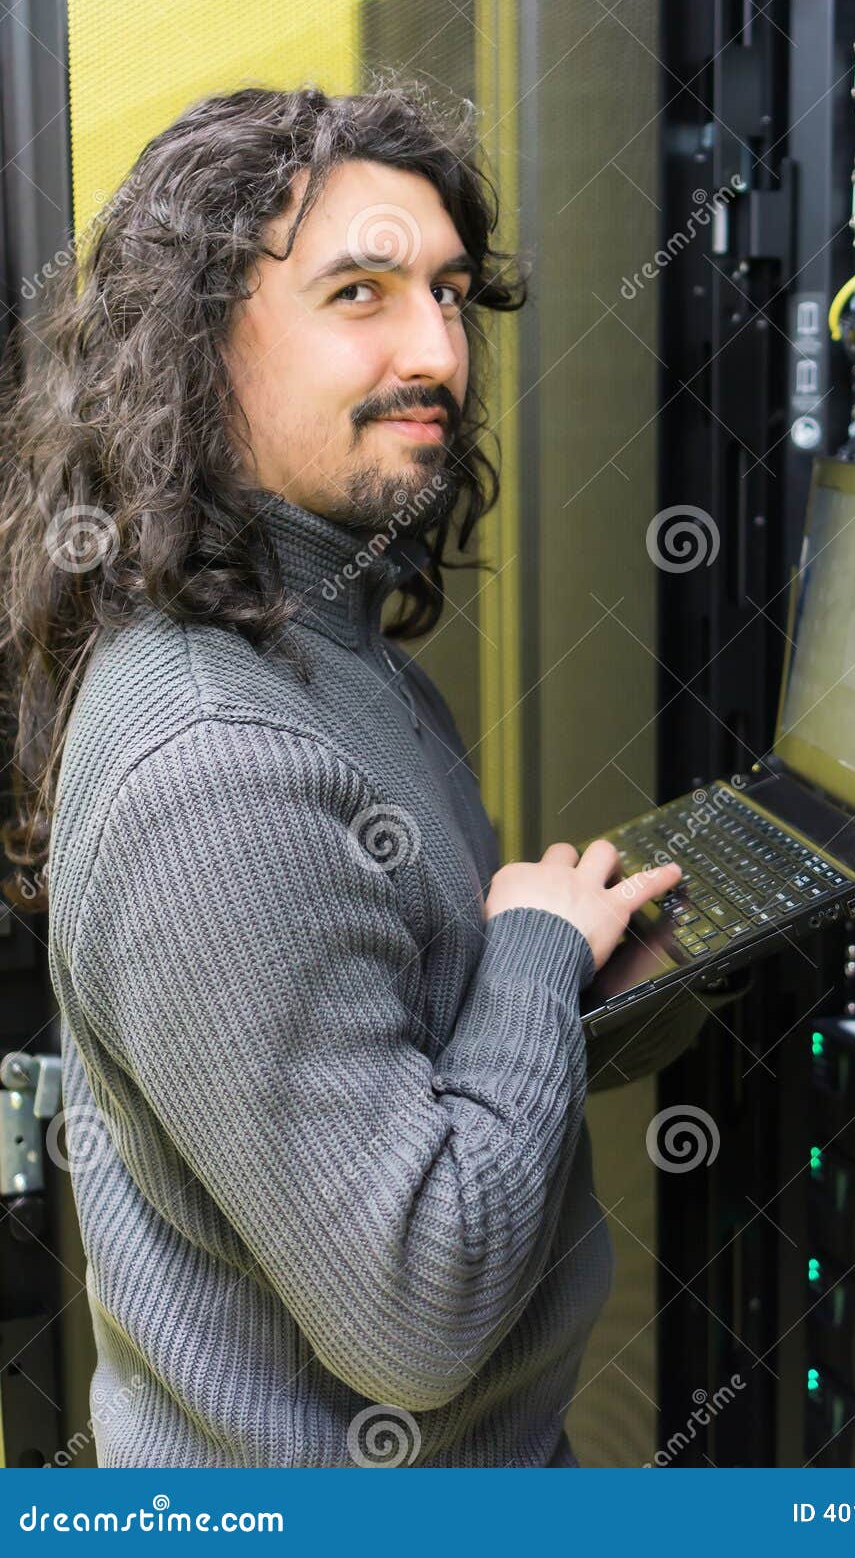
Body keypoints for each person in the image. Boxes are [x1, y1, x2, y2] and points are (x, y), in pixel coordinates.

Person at [0, 83, 705, 1468]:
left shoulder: (315, 641)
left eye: (449, 293)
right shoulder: (220, 762)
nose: (438, 348)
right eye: (361, 293)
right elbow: (415, 1311)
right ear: (195, 349)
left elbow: (389, 1064)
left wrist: (566, 991)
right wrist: (529, 947)